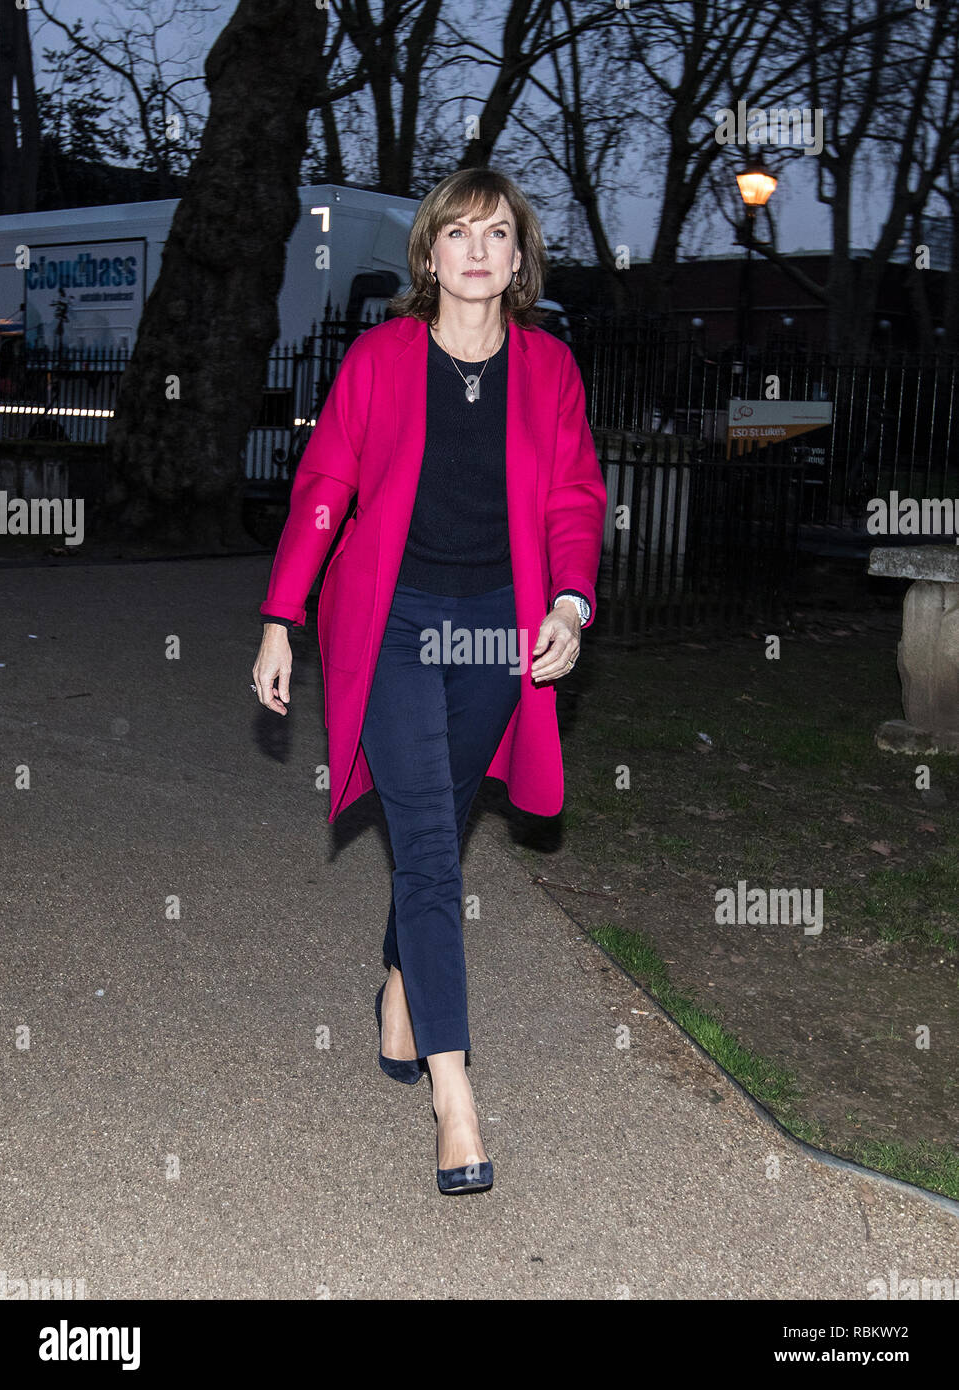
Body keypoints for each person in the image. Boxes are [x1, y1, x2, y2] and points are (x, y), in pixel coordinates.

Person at [252, 167, 606, 1195]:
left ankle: (401, 980)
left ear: (517, 258)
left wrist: (571, 603)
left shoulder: (548, 371)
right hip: (393, 623)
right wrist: (281, 615)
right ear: (431, 254)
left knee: (437, 827)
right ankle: (456, 1100)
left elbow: (575, 496)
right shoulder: (381, 356)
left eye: (498, 233)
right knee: (428, 845)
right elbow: (326, 485)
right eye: (459, 233)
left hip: (499, 630)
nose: (478, 251)